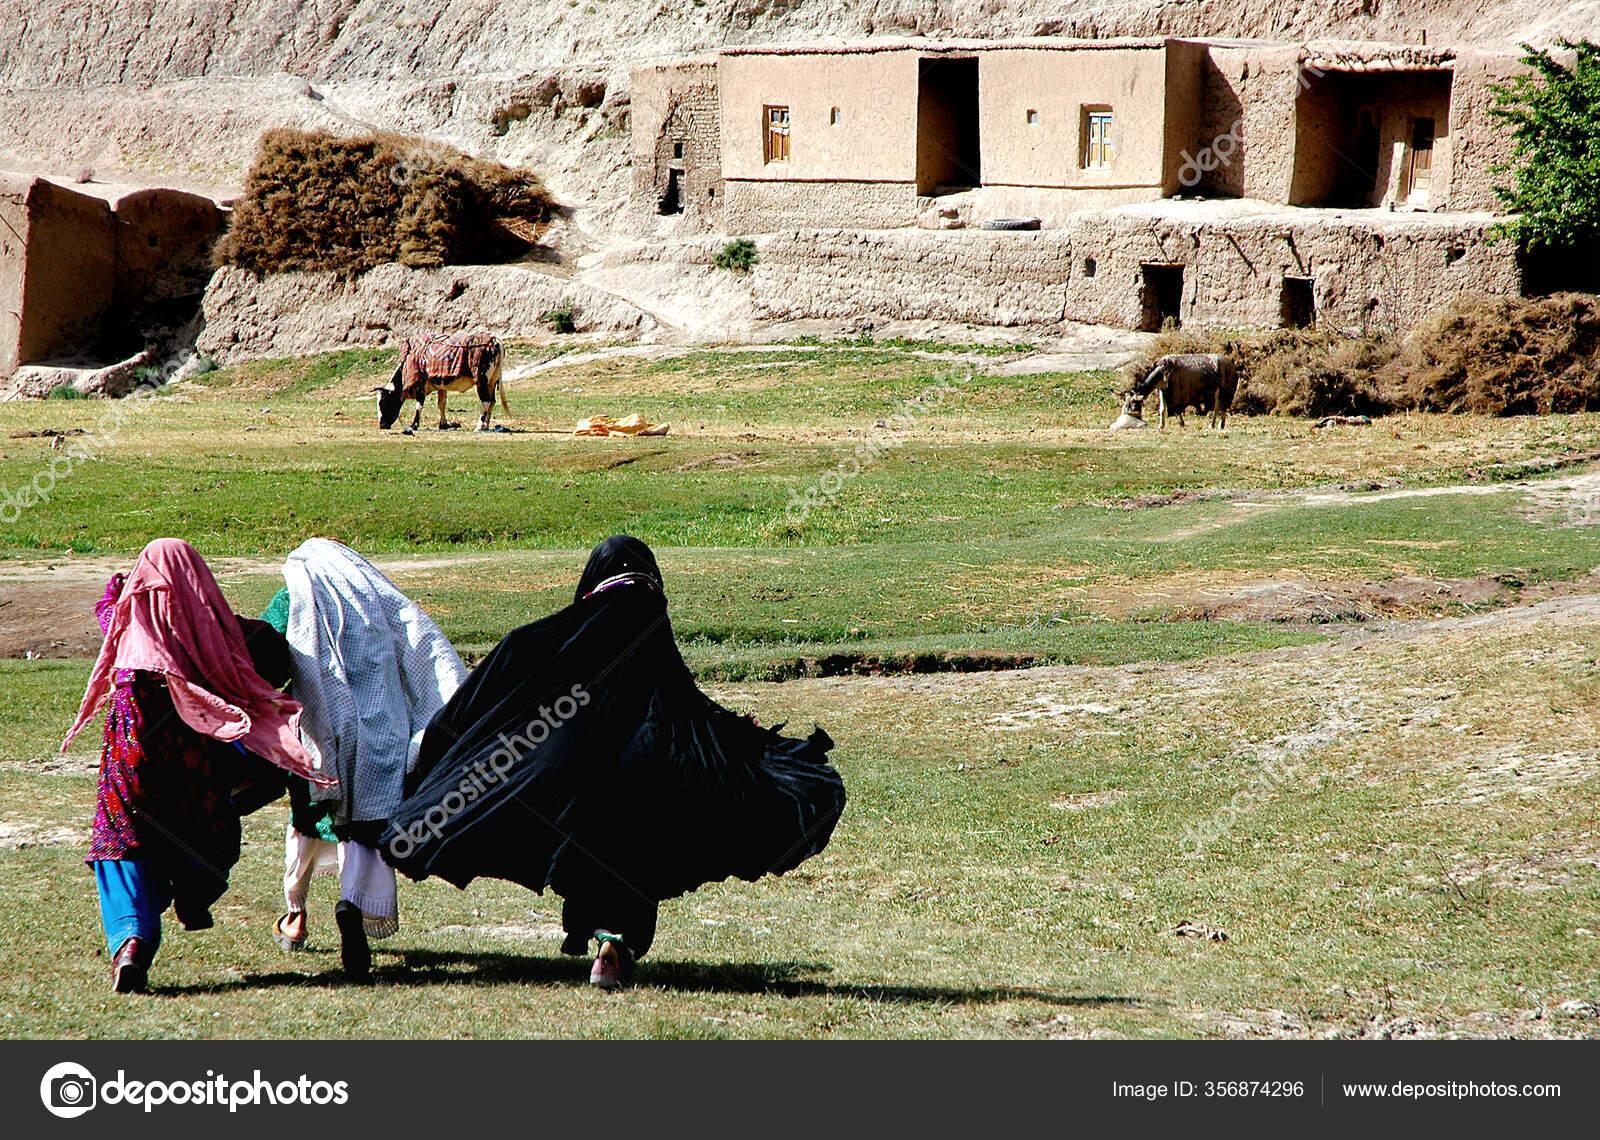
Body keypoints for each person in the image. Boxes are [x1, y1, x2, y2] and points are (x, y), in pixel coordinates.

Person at [382, 536, 847, 989]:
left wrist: (432, 761)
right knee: (636, 838)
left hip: (562, 776)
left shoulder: (541, 643)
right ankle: (614, 944)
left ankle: (606, 938)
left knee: (586, 829)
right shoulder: (650, 631)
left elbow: (483, 697)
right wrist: (746, 738)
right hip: (650, 777)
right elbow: (689, 708)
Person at [63, 539, 329, 994]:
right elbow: (265, 650)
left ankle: (130, 942)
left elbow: (106, 605)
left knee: (123, 848)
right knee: (197, 832)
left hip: (128, 770)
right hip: (193, 767)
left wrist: (120, 591)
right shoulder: (217, 634)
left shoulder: (126, 625)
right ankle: (178, 899)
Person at [261, 539, 467, 981]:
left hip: (321, 729)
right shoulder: (377, 597)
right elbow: (422, 641)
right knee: (366, 829)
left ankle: (295, 915)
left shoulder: (294, 597)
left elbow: (266, 650)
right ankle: (351, 904)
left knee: (307, 823)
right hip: (380, 731)